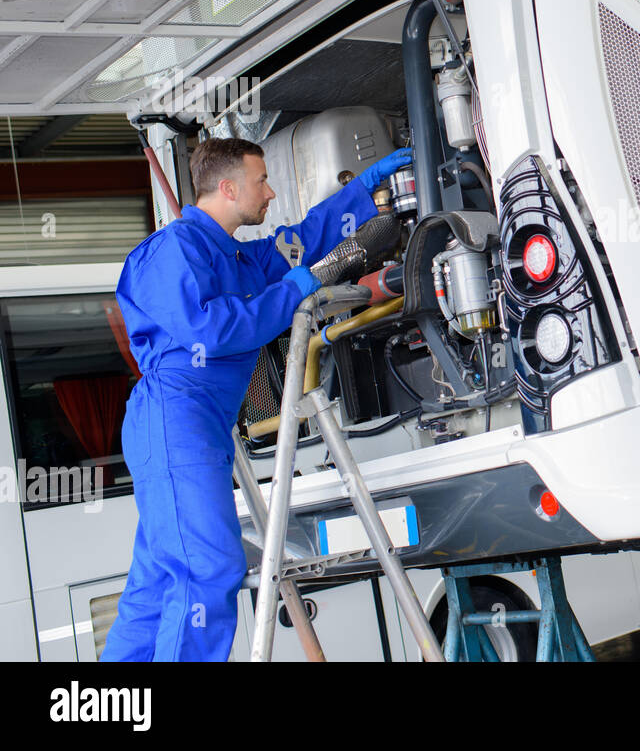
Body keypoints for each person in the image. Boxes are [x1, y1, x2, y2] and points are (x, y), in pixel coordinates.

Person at [101, 137, 412, 661]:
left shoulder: (238, 258)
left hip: (198, 424)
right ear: (227, 187)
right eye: (261, 181)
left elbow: (300, 241)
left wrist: (363, 189)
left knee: (157, 584)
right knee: (208, 567)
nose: (269, 192)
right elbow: (210, 330)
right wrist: (289, 293)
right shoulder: (171, 249)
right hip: (174, 417)